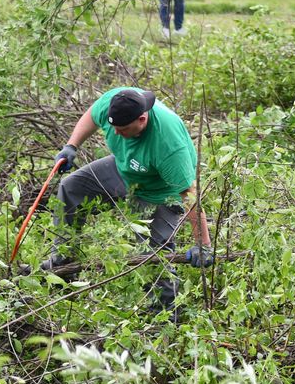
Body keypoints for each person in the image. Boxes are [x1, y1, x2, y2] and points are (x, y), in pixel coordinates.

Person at [42, 87, 213, 313]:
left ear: (142, 119)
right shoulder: (118, 102)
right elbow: (93, 113)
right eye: (113, 128)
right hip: (124, 169)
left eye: (122, 130)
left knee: (151, 258)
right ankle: (63, 263)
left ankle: (164, 315)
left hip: (158, 191)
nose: (116, 133)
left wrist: (203, 244)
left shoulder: (169, 146)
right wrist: (70, 146)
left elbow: (190, 195)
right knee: (71, 188)